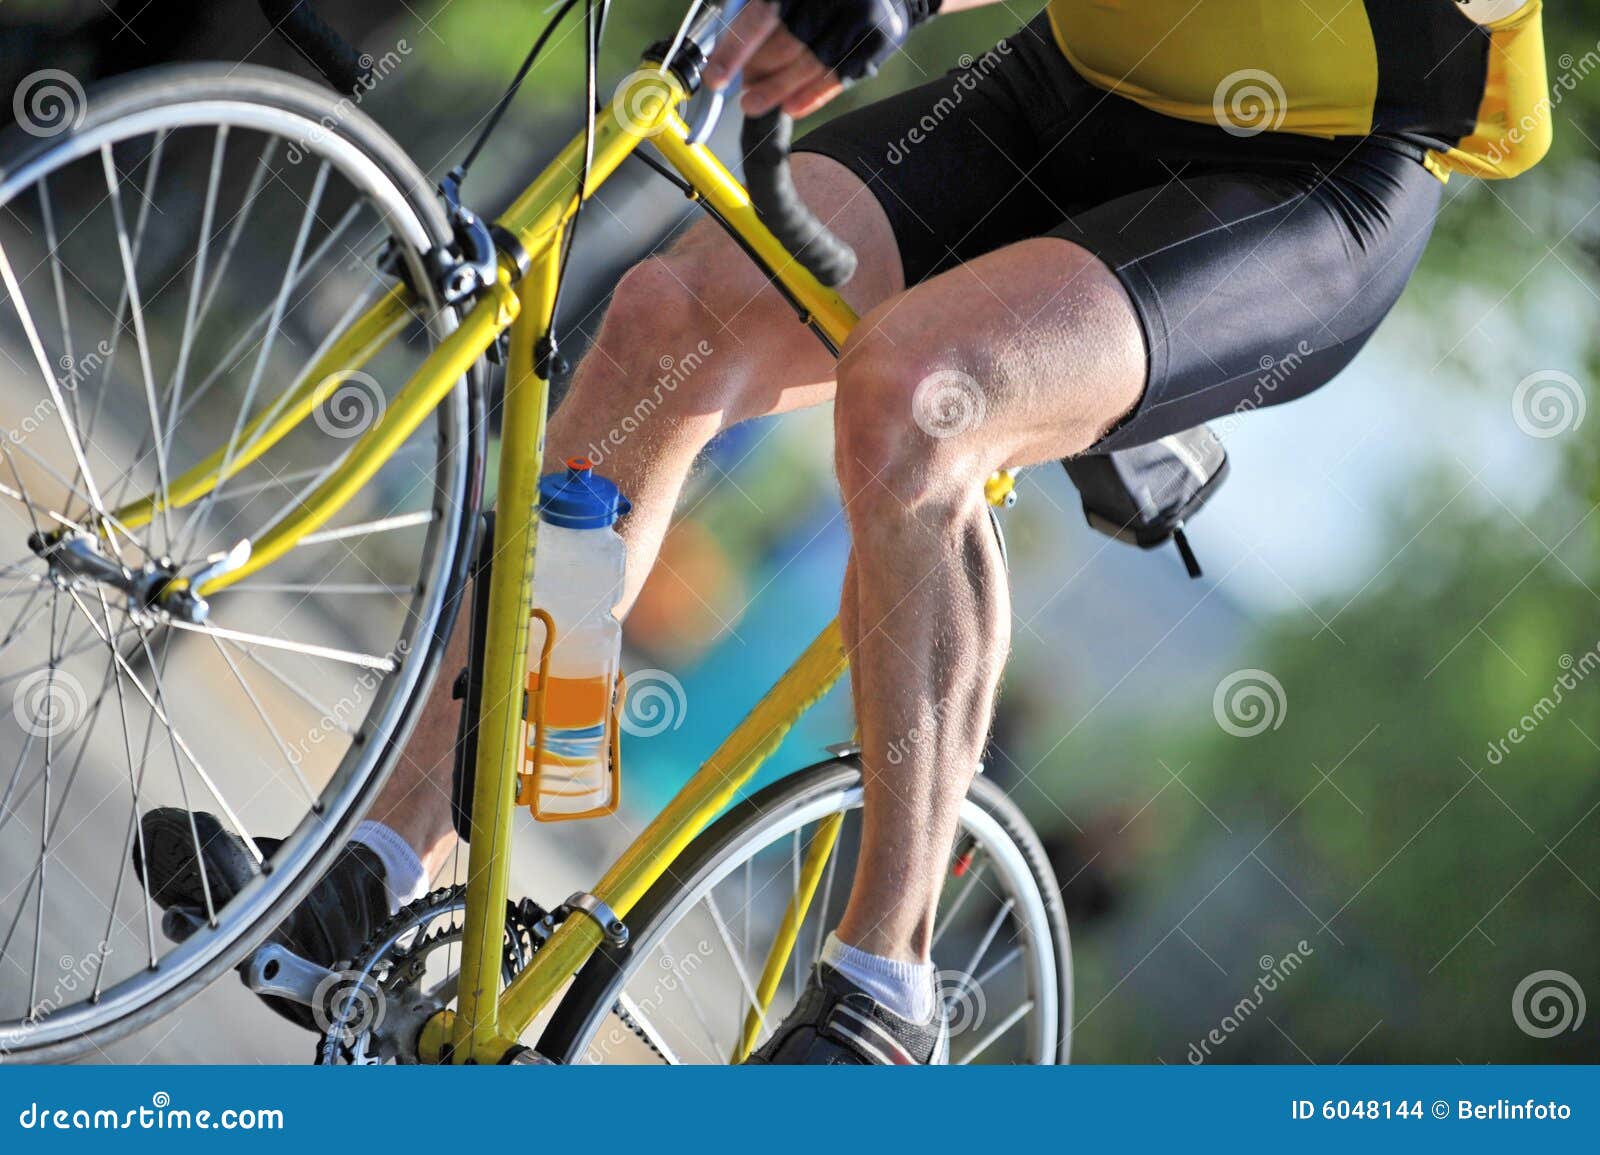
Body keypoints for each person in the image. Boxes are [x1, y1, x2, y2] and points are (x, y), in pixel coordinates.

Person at [136, 0, 1551, 1062]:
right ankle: (383, 865)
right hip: (1062, 92)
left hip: (1300, 182)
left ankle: (887, 985)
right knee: (664, 325)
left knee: (921, 401)